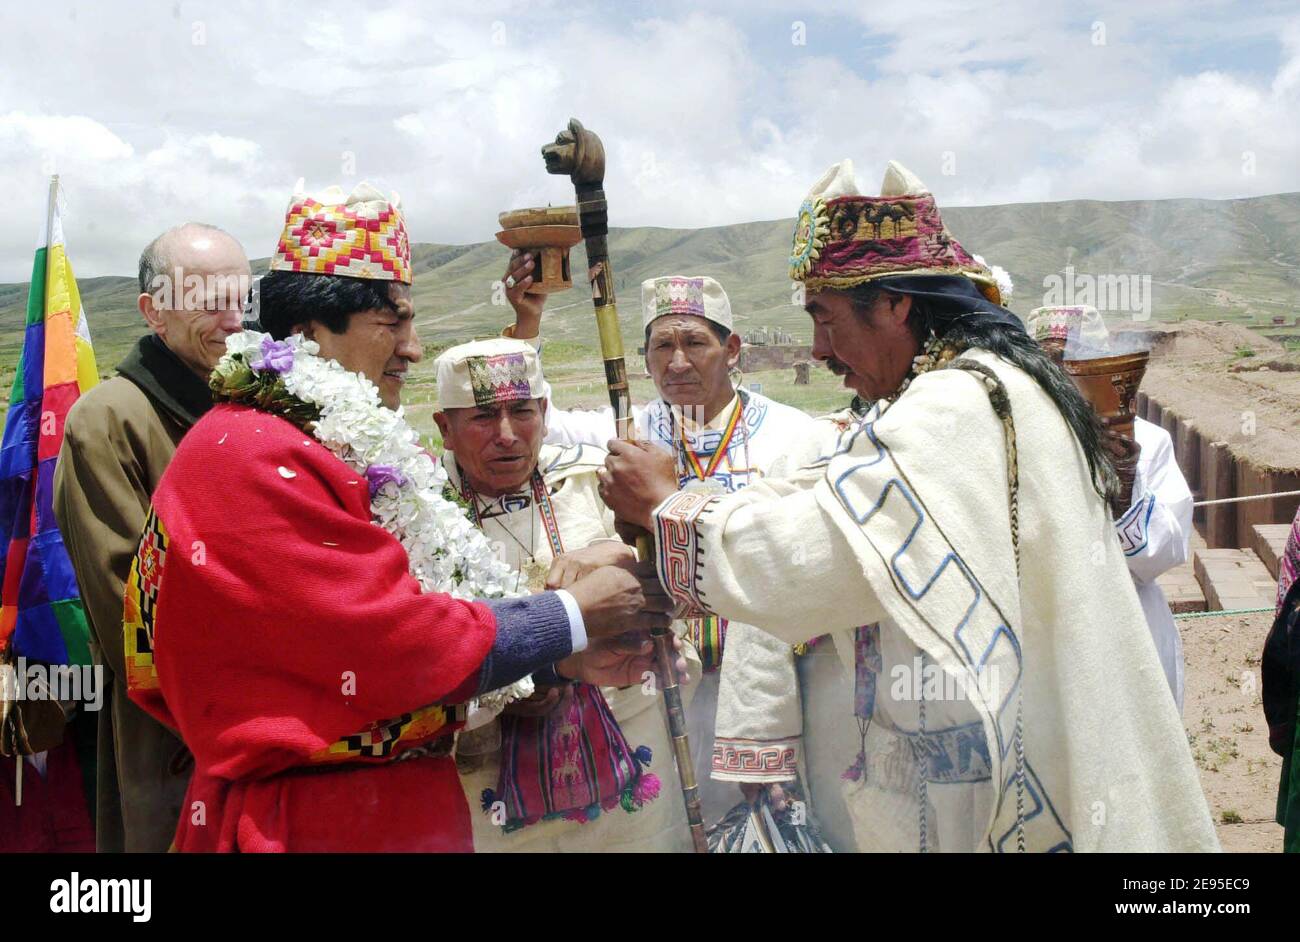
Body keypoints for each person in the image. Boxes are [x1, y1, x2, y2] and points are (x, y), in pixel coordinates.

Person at [600, 159, 1220, 852]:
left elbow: (822, 557)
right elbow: (837, 492)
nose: (818, 350)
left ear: (896, 304)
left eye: (826, 317)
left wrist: (669, 505)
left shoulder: (958, 404)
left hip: (983, 798)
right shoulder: (971, 390)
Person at [123, 182, 677, 852]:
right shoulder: (254, 456)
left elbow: (411, 641)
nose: (412, 349)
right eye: (393, 324)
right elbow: (394, 648)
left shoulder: (322, 443)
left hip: (387, 810)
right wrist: (571, 614)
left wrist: (555, 662)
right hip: (315, 823)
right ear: (306, 332)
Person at [502, 265, 823, 833]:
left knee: (775, 827)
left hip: (774, 682)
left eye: (695, 343)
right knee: (679, 827)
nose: (677, 363)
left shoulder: (798, 436)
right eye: (662, 346)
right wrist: (528, 322)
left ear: (732, 348)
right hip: (671, 679)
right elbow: (535, 421)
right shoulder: (630, 433)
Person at [434, 337, 698, 851]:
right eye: (483, 417)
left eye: (522, 411)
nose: (507, 436)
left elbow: (683, 582)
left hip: (628, 768)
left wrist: (620, 556)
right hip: (489, 796)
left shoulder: (594, 483)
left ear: (546, 410)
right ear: (445, 427)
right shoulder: (417, 507)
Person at [52, 223, 249, 852]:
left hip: (267, 736)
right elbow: (134, 619)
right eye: (208, 300)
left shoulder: (255, 407)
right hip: (175, 740)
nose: (233, 320)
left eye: (239, 297)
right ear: (153, 311)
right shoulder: (109, 420)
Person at [1029, 305, 1193, 709]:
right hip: (1043, 631)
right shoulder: (1017, 440)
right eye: (1050, 365)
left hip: (1128, 625)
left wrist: (1125, 490)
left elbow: (1163, 556)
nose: (1064, 378)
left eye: (1074, 363)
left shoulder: (1148, 442)